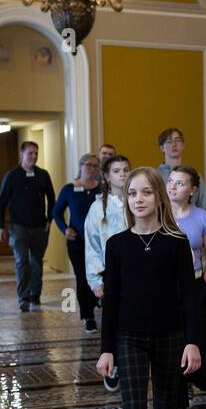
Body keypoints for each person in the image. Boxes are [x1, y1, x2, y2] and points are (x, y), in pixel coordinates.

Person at [96, 167, 202, 409]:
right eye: (131, 194)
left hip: (171, 337)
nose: (138, 199)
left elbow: (190, 298)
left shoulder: (176, 242)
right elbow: (111, 304)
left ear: (159, 197)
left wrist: (193, 341)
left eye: (145, 192)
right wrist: (106, 348)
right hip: (129, 338)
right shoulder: (118, 245)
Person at [166, 165, 206, 409]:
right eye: (171, 182)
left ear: (192, 190)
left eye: (180, 183)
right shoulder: (159, 215)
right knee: (175, 342)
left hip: (194, 286)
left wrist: (204, 286)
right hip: (166, 289)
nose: (173, 187)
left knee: (201, 341)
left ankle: (193, 374)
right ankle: (178, 402)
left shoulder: (202, 217)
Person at [85, 154, 130, 391]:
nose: (122, 174)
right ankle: (113, 362)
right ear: (106, 176)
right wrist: (94, 279)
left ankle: (130, 362)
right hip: (110, 274)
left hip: (136, 273)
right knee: (112, 321)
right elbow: (91, 245)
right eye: (116, 170)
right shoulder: (97, 208)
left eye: (125, 169)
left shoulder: (137, 201)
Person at [0, 141, 56, 312]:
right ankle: (23, 298)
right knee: (22, 261)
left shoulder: (43, 175)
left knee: (36, 262)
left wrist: (49, 220)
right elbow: (1, 202)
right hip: (18, 227)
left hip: (40, 227)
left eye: (36, 153)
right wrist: (0, 226)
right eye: (30, 153)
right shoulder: (12, 176)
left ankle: (35, 294)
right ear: (22, 154)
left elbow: (52, 199)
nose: (34, 156)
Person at [53, 153, 103, 332]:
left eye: (96, 166)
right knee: (83, 277)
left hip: (100, 242)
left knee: (100, 276)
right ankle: (88, 316)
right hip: (77, 242)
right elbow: (56, 212)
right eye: (88, 165)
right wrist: (65, 229)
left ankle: (97, 302)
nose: (91, 168)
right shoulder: (69, 189)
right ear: (80, 166)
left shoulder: (103, 189)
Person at [155, 128, 206, 210]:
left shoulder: (194, 175)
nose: (174, 144)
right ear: (162, 148)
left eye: (178, 140)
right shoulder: (155, 175)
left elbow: (204, 206)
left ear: (183, 145)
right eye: (169, 141)